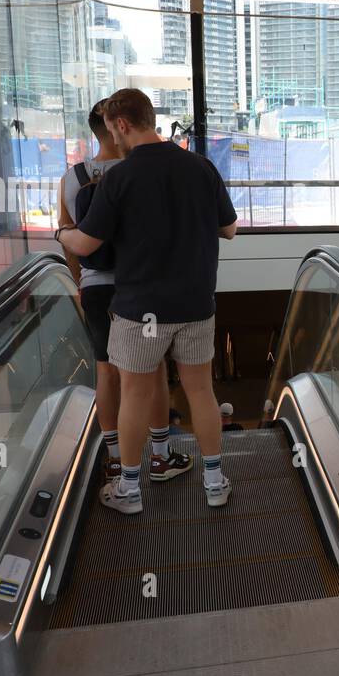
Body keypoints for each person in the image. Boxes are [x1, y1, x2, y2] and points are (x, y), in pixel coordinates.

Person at [56, 88, 237, 514]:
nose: (114, 140)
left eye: (114, 130)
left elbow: (85, 243)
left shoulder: (119, 178)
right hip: (195, 304)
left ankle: (130, 491)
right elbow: (229, 229)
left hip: (141, 311)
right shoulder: (200, 166)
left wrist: (60, 233)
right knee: (201, 391)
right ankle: (214, 484)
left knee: (135, 395)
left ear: (121, 124)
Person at [57, 100, 191, 486]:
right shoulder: (142, 170)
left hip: (97, 287)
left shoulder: (72, 178)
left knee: (107, 370)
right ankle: (161, 455)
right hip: (143, 289)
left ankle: (115, 458)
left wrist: (81, 279)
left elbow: (70, 237)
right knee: (152, 370)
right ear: (119, 127)